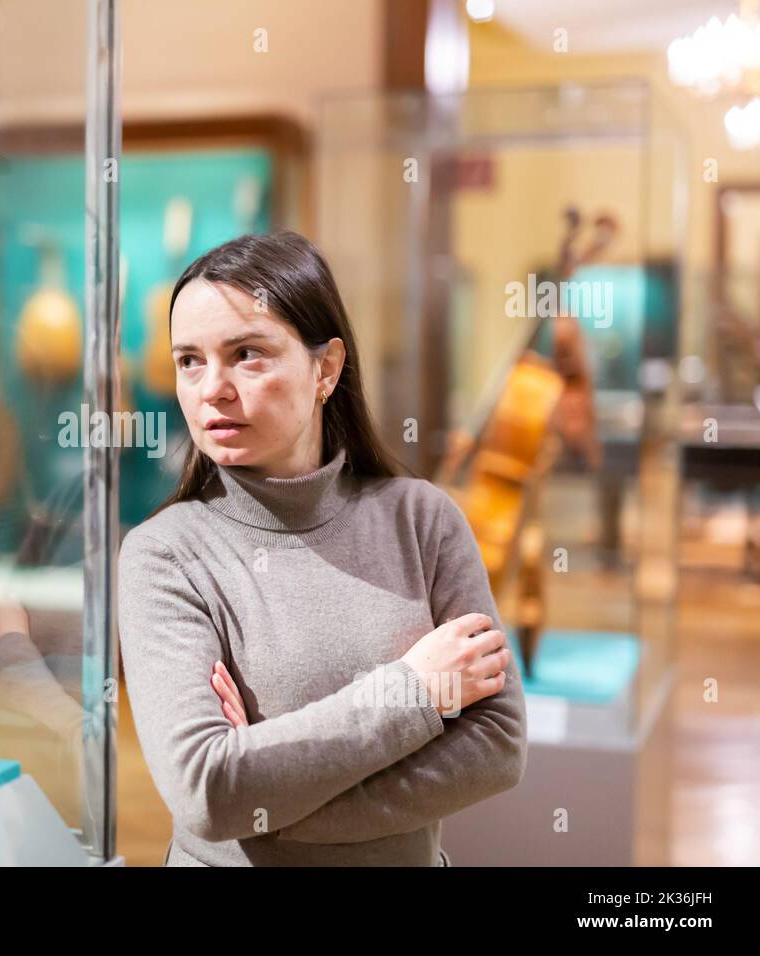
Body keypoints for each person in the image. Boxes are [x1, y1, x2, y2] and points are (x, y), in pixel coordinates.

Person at [116, 230, 527, 866]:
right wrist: (417, 690)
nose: (211, 389)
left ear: (326, 369)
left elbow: (497, 747)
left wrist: (274, 804)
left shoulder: (423, 521)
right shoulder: (163, 555)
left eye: (246, 353)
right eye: (189, 360)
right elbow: (207, 791)